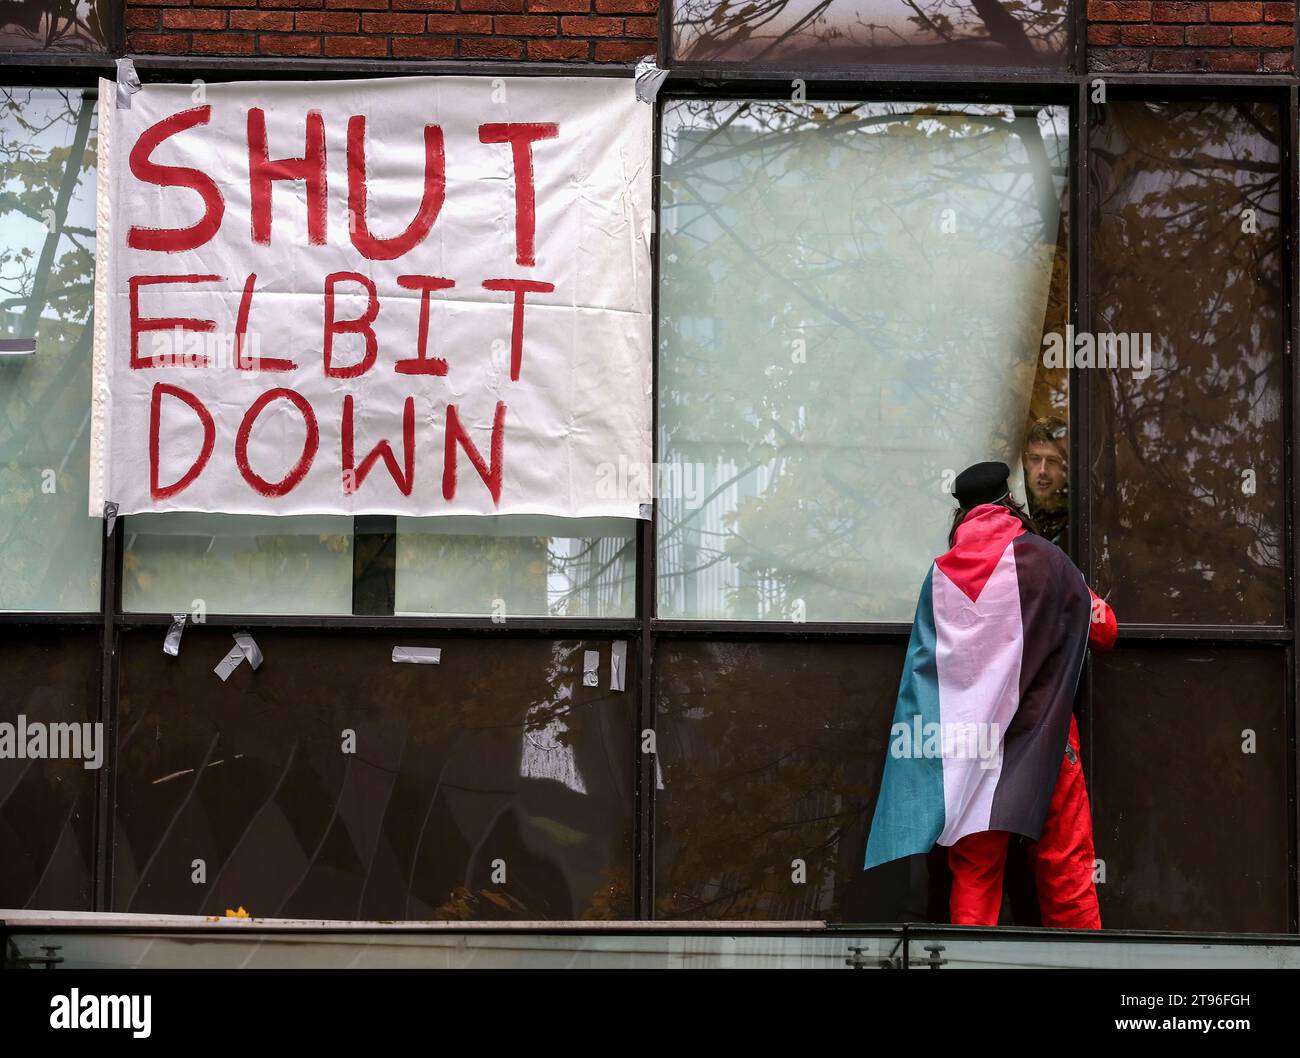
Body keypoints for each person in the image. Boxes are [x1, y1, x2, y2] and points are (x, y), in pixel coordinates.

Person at [864, 460, 1116, 928]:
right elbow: (1106, 629)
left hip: (973, 746)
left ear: (961, 514)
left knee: (975, 875)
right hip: (1047, 740)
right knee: (1065, 867)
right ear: (1010, 502)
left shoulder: (939, 577)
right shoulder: (1047, 560)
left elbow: (927, 670)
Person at [1023, 416, 1069, 549]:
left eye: (1052, 460)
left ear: (1066, 466)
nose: (1042, 470)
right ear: (1026, 462)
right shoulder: (1013, 510)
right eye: (1035, 459)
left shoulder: (1081, 519)